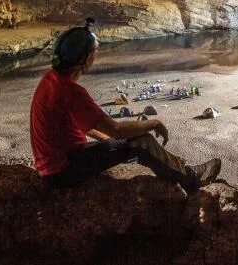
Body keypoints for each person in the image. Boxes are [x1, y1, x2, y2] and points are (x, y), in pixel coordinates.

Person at [30, 19, 221, 190]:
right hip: (63, 172)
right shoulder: (71, 92)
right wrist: (153, 123)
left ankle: (177, 168)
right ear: (87, 59)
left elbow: (87, 126)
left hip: (51, 167)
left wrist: (111, 142)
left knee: (124, 143)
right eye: (94, 54)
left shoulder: (50, 79)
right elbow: (117, 129)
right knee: (142, 141)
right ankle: (189, 178)